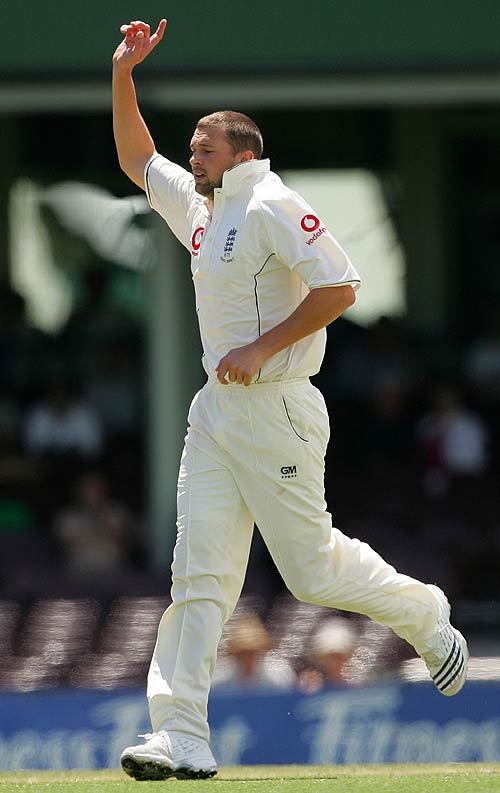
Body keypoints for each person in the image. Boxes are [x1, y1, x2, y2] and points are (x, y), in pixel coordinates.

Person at [113, 19, 468, 781]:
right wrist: (123, 74)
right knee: (197, 576)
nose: (192, 157)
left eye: (204, 148)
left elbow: (342, 285)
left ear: (243, 152)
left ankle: (425, 615)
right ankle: (182, 736)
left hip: (278, 405)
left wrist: (260, 347)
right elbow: (138, 156)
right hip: (214, 413)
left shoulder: (272, 201)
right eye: (193, 150)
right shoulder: (204, 209)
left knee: (309, 574)